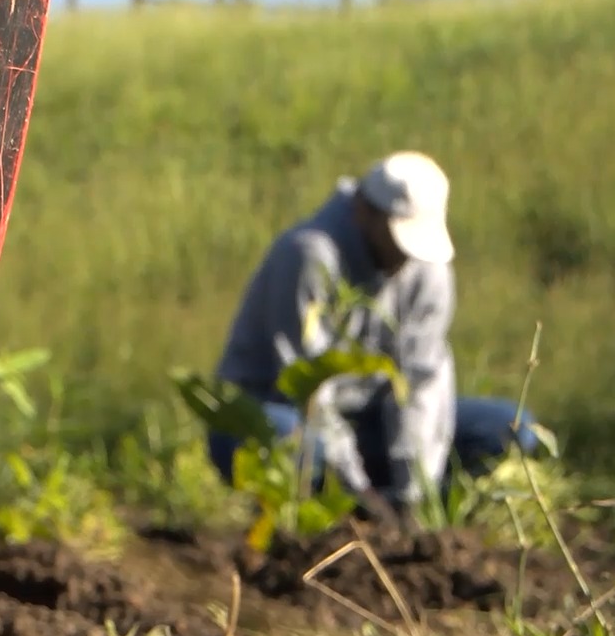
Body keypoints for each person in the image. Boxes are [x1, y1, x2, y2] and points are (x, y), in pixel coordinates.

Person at [205, 151, 540, 527]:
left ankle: (405, 519)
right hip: (278, 416)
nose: (403, 256)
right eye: (396, 239)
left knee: (511, 429)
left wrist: (414, 493)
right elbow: (309, 389)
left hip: (369, 424)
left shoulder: (428, 269)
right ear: (364, 211)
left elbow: (420, 385)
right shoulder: (308, 256)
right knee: (295, 443)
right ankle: (324, 519)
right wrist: (358, 489)